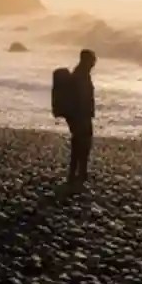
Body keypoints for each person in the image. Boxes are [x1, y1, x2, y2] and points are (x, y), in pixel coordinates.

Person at [63, 49, 96, 186]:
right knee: (83, 144)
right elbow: (83, 98)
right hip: (81, 116)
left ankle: (76, 173)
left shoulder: (80, 73)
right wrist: (85, 114)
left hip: (77, 116)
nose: (94, 62)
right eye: (93, 59)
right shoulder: (81, 75)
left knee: (78, 144)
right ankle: (79, 173)